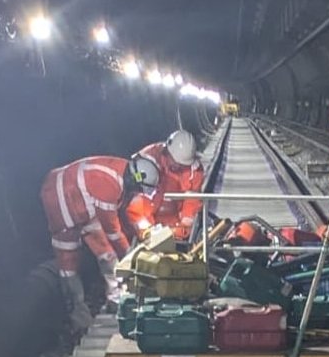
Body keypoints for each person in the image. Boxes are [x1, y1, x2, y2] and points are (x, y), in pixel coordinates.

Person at [40, 153, 162, 330]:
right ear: (134, 180)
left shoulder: (125, 172)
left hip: (84, 205)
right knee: (68, 266)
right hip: (61, 204)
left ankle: (116, 299)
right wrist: (130, 257)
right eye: (138, 189)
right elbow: (112, 231)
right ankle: (79, 318)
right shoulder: (107, 186)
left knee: (107, 253)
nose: (137, 193)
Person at [127, 130, 205, 242]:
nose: (176, 166)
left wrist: (184, 227)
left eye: (181, 165)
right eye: (174, 162)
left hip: (174, 217)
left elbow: (191, 200)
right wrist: (148, 231)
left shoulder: (195, 170)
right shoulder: (148, 159)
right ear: (167, 152)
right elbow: (139, 196)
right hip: (148, 210)